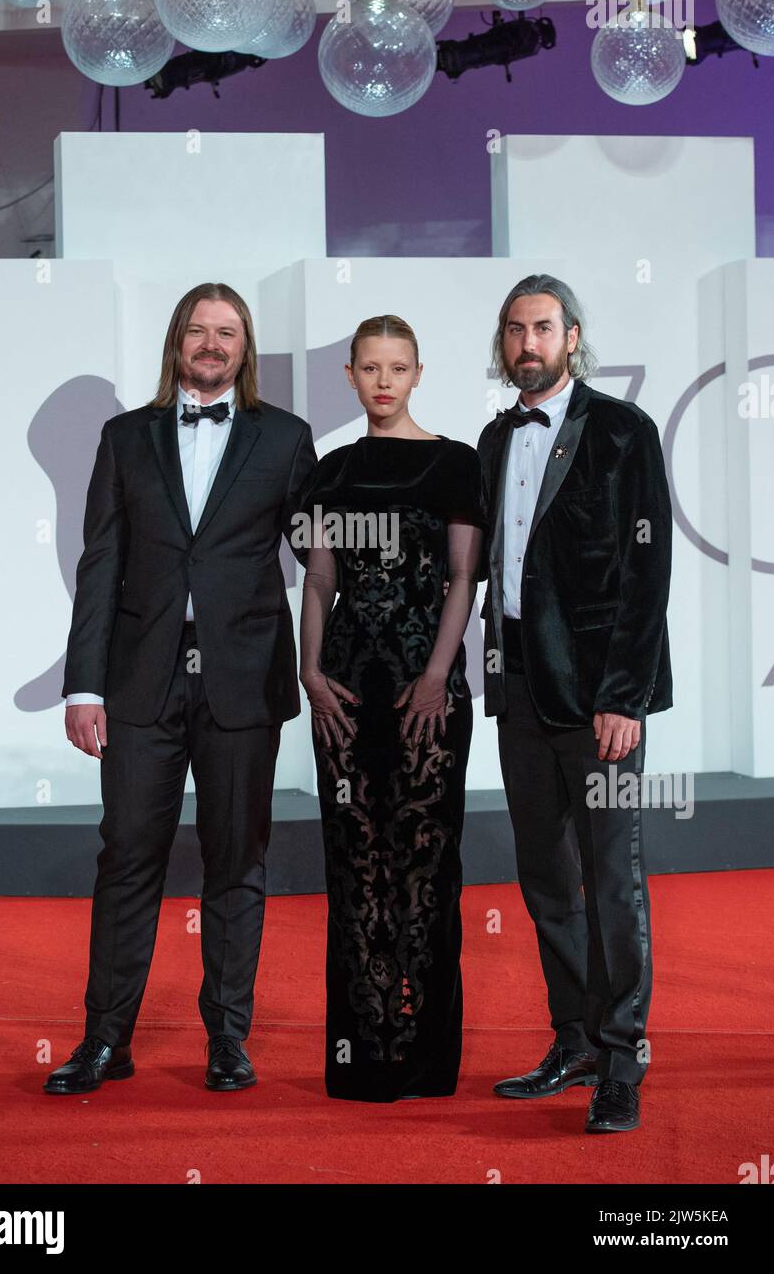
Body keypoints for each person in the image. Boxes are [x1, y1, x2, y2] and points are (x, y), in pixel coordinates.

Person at [45, 282, 317, 1096]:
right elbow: (100, 564)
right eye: (197, 330)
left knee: (237, 861)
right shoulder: (125, 437)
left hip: (242, 680)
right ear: (176, 343)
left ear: (245, 347)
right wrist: (82, 687)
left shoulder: (287, 438)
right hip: (139, 680)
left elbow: (320, 560)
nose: (210, 343)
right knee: (128, 855)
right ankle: (105, 1040)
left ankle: (227, 1039)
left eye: (226, 332)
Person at [476, 273, 672, 1134]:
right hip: (517, 693)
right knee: (547, 880)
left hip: (600, 704)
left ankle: (622, 1059)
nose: (528, 343)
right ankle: (574, 1040)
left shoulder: (622, 432)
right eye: (515, 330)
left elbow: (646, 577)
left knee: (613, 883)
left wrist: (623, 698)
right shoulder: (492, 438)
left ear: (572, 336)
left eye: (543, 329)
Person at [290, 315, 487, 1102]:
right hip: (343, 693)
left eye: (396, 367)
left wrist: (438, 672)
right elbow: (317, 582)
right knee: (356, 870)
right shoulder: (330, 472)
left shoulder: (454, 463)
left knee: (426, 870)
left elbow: (461, 580)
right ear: (349, 375)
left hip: (425, 693)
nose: (382, 380)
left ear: (416, 373)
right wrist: (308, 668)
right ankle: (362, 1058)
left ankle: (426, 1060)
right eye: (368, 367)